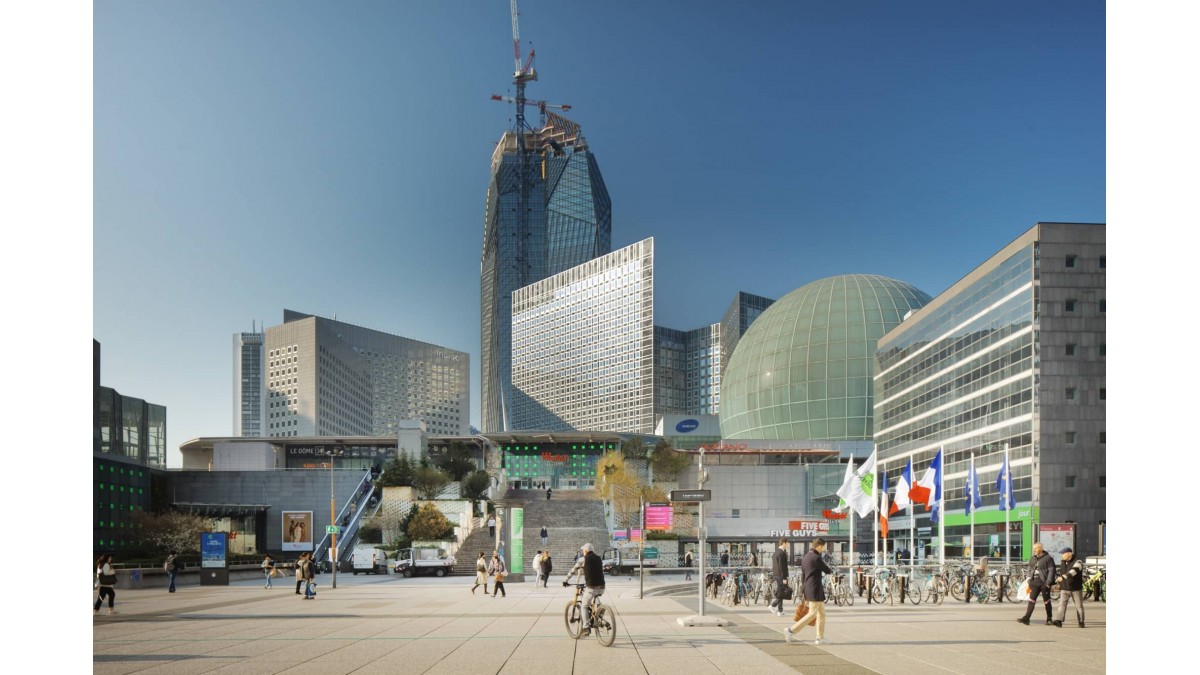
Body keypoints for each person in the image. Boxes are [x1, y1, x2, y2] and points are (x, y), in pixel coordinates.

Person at [785, 538, 834, 645]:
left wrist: (803, 591)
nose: (823, 549)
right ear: (819, 546)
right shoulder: (816, 558)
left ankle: (819, 638)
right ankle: (791, 630)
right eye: (823, 547)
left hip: (809, 588)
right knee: (812, 614)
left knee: (821, 613)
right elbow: (827, 570)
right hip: (815, 589)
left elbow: (803, 575)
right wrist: (831, 569)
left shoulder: (806, 557)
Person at [563, 542, 605, 636]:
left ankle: (586, 627)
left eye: (583, 550)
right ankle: (599, 613)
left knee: (584, 606)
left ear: (585, 551)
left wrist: (565, 580)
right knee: (595, 597)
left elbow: (573, 570)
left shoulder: (583, 559)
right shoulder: (598, 558)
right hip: (602, 586)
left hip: (591, 587)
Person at [1017, 542, 1057, 625]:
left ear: (1041, 549)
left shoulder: (1048, 558)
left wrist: (1048, 583)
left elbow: (1051, 571)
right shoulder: (1032, 558)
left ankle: (1049, 619)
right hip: (1034, 582)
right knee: (1031, 600)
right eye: (1033, 548)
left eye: (1036, 548)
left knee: (1047, 601)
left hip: (1044, 583)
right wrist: (1029, 579)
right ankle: (1026, 618)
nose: (1034, 550)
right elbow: (1029, 569)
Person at [1052, 547, 1086, 628]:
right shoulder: (1063, 562)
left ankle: (1081, 622)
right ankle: (1059, 621)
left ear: (1069, 553)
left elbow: (1073, 572)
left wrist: (1063, 577)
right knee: (1062, 605)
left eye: (1063, 554)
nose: (1062, 556)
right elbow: (1061, 573)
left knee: (1079, 606)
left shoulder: (1078, 562)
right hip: (1064, 587)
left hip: (1075, 588)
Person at [770, 538, 789, 617]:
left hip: (776, 575)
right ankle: (772, 605)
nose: (788, 545)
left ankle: (780, 611)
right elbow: (782, 566)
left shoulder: (775, 553)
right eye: (787, 543)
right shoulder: (782, 553)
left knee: (781, 591)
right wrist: (784, 577)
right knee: (783, 592)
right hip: (781, 576)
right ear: (784, 543)